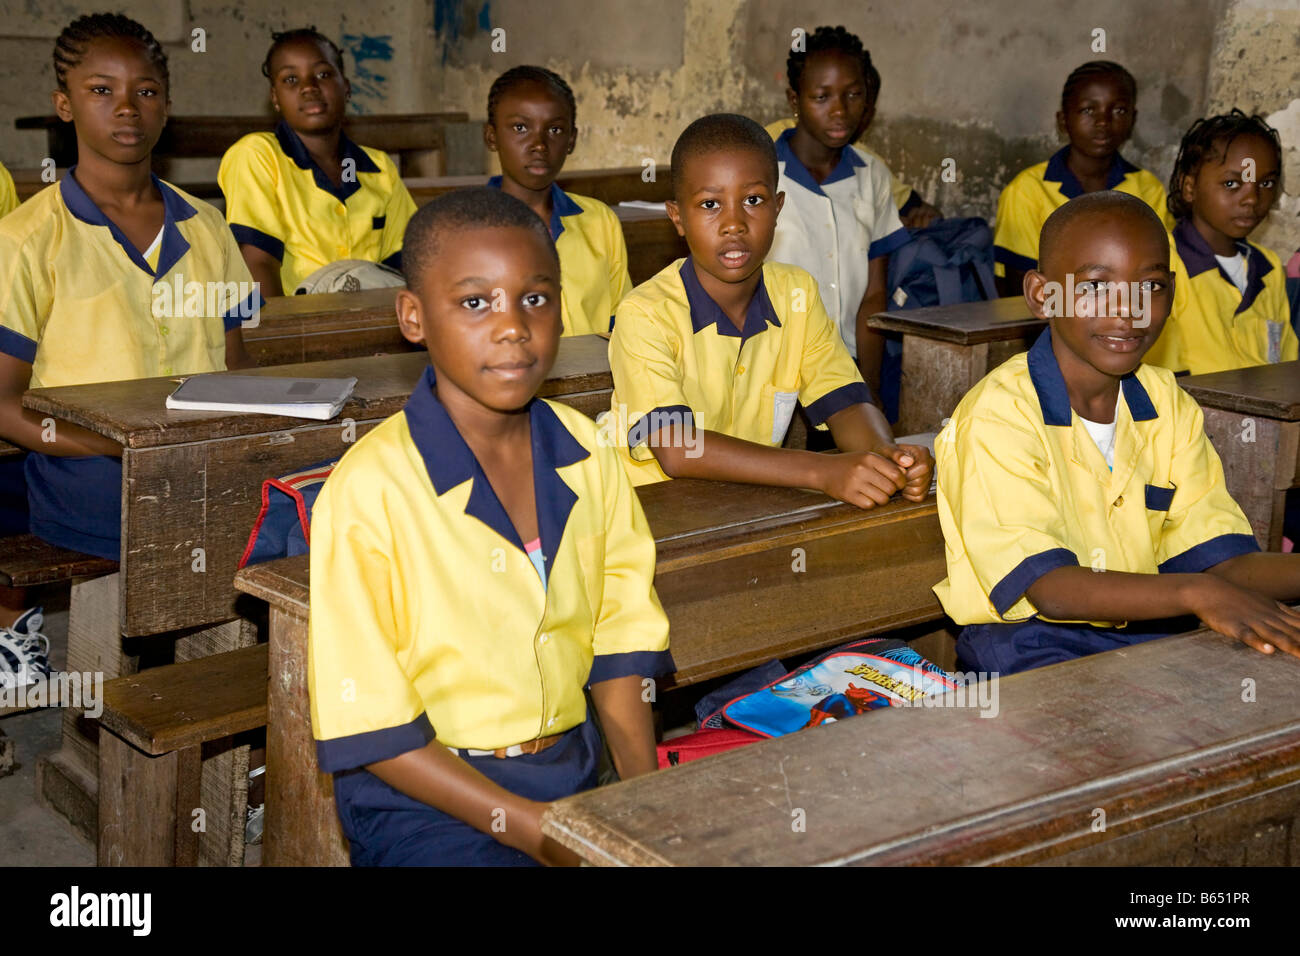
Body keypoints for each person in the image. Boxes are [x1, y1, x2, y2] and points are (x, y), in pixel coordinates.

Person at [308, 188, 672, 866]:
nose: (513, 327)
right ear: (413, 316)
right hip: (427, 799)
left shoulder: (589, 454)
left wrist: (637, 810)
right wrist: (532, 829)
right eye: (476, 303)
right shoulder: (371, 490)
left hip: (569, 766)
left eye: (535, 298)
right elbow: (375, 730)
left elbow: (619, 646)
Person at [935, 190, 1300, 675]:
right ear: (1043, 295)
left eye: (1150, 287)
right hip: (1034, 651)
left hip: (1151, 635)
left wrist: (1209, 589)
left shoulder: (1167, 403)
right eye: (1095, 287)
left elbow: (1222, 563)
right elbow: (1052, 590)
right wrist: (1200, 593)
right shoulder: (999, 416)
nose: (1128, 310)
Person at [0, 14, 257, 659]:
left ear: (166, 107)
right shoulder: (28, 239)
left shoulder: (208, 226)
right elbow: (4, 403)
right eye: (100, 90)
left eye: (145, 91)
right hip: (89, 476)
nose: (126, 109)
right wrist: (113, 447)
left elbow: (236, 365)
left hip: (199, 465)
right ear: (64, 105)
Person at [605, 113, 931, 506]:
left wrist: (884, 456)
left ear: (778, 208)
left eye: (753, 200)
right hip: (651, 512)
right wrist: (822, 470)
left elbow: (844, 400)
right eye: (710, 204)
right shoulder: (645, 313)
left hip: (749, 502)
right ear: (678, 217)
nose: (734, 224)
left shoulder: (797, 294)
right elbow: (675, 447)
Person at [764, 26, 910, 395]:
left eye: (853, 94)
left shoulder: (871, 174)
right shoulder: (761, 171)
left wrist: (869, 391)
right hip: (773, 368)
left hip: (847, 370)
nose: (841, 110)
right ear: (794, 100)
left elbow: (873, 296)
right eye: (822, 96)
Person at [219, 27, 417, 297]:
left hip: (373, 320)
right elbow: (257, 261)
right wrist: (282, 335)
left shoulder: (378, 167)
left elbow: (408, 264)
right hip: (300, 327)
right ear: (275, 98)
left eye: (323, 74)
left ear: (345, 87)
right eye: (290, 79)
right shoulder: (258, 155)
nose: (309, 87)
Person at [993, 61, 1172, 296]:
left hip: (1131, 316)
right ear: (1063, 120)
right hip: (1049, 324)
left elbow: (1156, 276)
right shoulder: (1027, 191)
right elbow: (1018, 290)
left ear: (1132, 120)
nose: (1103, 122)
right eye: (1088, 110)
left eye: (1118, 110)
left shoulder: (1147, 188)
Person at [1144, 110, 1296, 374]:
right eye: (1231, 183)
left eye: (1266, 183)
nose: (1252, 198)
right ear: (1189, 188)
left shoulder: (1268, 267)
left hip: (1267, 411)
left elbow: (1287, 366)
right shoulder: (1163, 263)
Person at [484, 65, 631, 335]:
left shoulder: (598, 220)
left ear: (571, 140)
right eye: (520, 127)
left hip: (594, 374)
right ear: (492, 136)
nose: (539, 144)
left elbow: (621, 319)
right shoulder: (465, 227)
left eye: (554, 130)